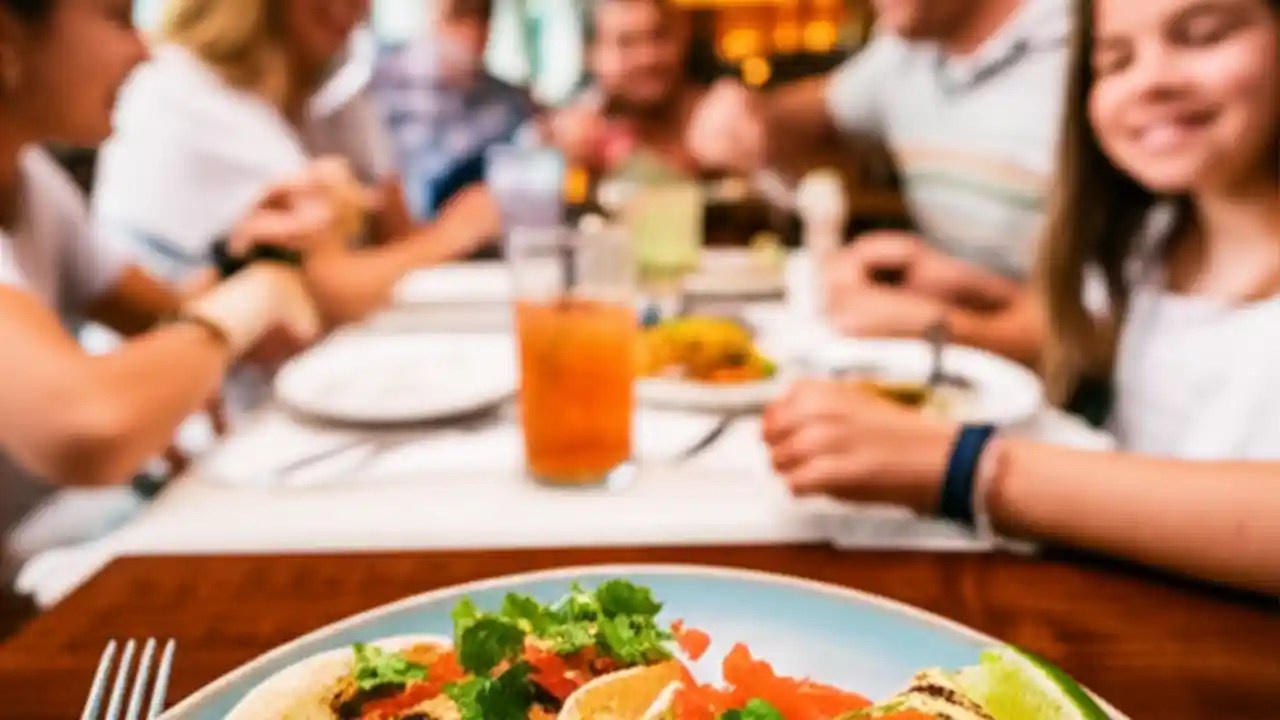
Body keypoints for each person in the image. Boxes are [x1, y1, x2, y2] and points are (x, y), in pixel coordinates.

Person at [762, 0, 1280, 595]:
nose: (1153, 79)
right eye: (1117, 59)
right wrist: (954, 287)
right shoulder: (1155, 239)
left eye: (1203, 36)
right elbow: (1088, 333)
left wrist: (963, 466)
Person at [0, 0, 338, 574]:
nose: (145, 48)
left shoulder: (30, 181)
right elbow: (90, 428)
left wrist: (240, 259)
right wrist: (250, 297)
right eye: (116, 17)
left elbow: (166, 318)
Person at [688, 0, 1069, 364]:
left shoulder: (1088, 46)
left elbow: (1108, 331)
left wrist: (937, 325)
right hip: (960, 363)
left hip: (1070, 391)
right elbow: (805, 113)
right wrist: (751, 116)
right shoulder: (905, 50)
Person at [93, 0, 501, 330]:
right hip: (195, 414)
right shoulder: (182, 97)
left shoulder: (330, 89)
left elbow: (394, 234)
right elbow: (331, 293)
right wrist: (457, 232)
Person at [372, 0, 533, 219]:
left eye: (482, 17)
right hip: (401, 235)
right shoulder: (379, 82)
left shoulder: (507, 102)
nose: (472, 31)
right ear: (432, 10)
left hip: (477, 241)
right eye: (460, 15)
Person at [546, 0, 705, 179]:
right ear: (591, 55)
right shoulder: (571, 138)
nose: (647, 57)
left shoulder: (714, 118)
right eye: (626, 43)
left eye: (658, 36)